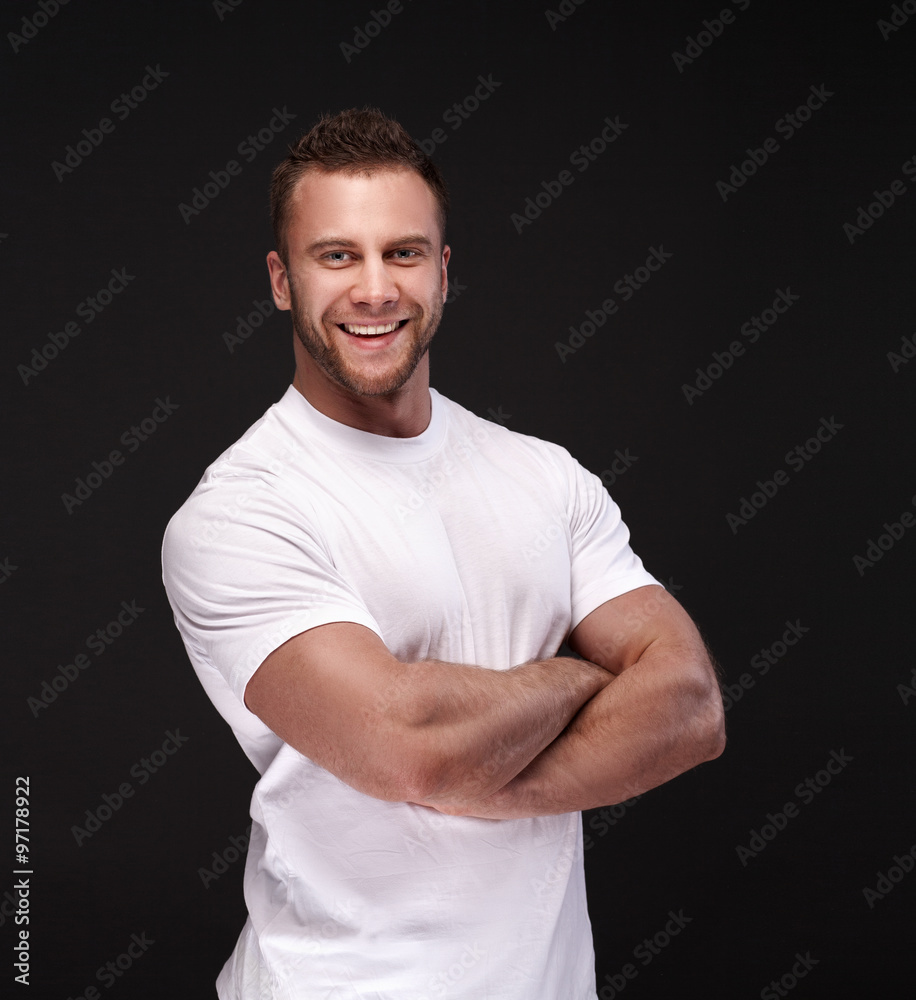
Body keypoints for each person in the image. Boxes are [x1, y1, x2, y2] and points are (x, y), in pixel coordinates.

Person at [161, 106, 725, 1000]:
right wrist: (579, 675)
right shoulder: (240, 514)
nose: (375, 289)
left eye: (405, 253)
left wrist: (482, 782)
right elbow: (406, 745)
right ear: (281, 279)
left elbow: (691, 707)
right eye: (336, 255)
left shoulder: (545, 476)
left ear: (445, 271)